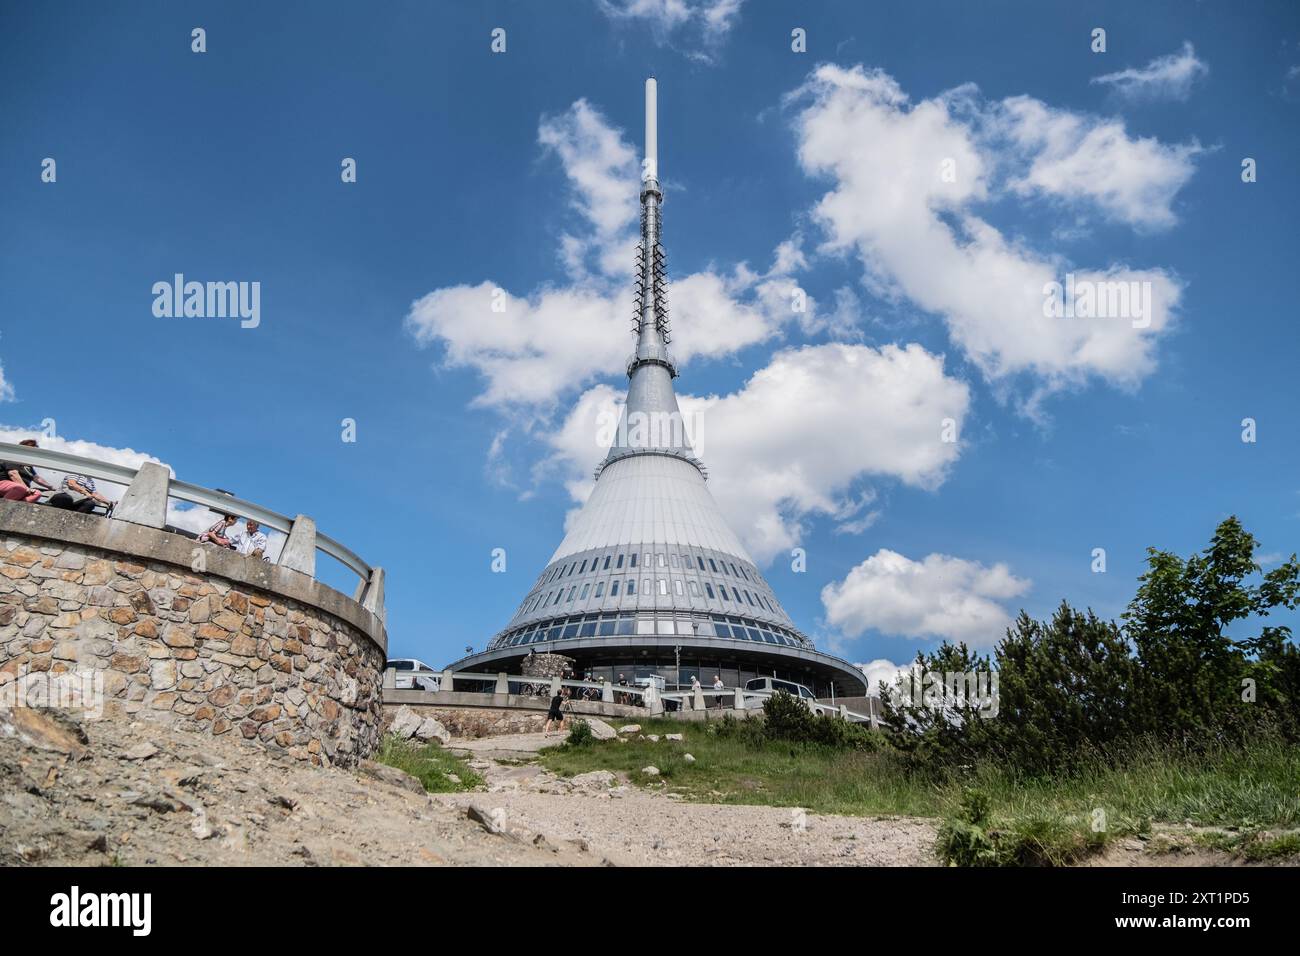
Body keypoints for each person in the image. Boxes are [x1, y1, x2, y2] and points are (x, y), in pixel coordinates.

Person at [48, 472, 112, 513]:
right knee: (66, 498)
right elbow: (71, 483)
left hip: (79, 500)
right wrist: (86, 492)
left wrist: (108, 502)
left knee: (90, 504)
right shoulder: (77, 472)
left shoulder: (90, 481)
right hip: (66, 494)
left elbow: (95, 494)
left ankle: (73, 519)